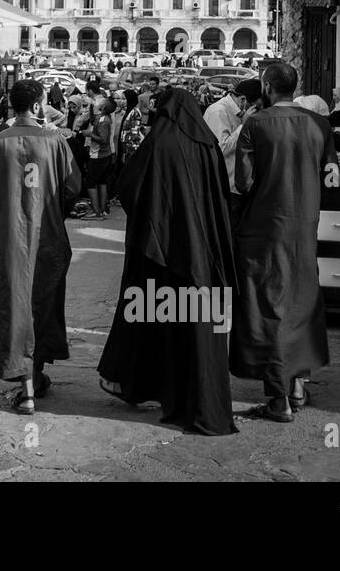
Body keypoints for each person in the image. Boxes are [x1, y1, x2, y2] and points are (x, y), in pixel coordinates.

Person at [98, 88, 237, 435]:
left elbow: (128, 186)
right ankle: (188, 395)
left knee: (152, 317)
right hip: (200, 253)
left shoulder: (158, 143)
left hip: (158, 254)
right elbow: (221, 197)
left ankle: (147, 386)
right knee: (191, 324)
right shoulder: (207, 145)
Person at [231, 62, 337, 422]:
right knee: (301, 301)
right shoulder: (320, 125)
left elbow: (243, 183)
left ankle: (279, 400)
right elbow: (330, 176)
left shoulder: (256, 124)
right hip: (305, 228)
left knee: (270, 307)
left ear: (266, 85)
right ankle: (297, 385)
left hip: (264, 229)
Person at [0, 80, 82, 414]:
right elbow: (73, 186)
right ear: (37, 107)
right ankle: (35, 376)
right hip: (48, 236)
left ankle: (28, 386)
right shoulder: (56, 142)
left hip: (10, 239)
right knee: (43, 304)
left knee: (15, 306)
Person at [203, 79, 263, 197]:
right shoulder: (218, 112)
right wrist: (243, 126)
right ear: (243, 100)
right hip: (226, 187)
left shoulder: (238, 112)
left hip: (238, 185)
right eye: (256, 107)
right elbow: (221, 149)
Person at [82, 98, 116, 219]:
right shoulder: (103, 118)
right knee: (102, 181)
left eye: (101, 103)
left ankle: (96, 211)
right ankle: (101, 210)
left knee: (90, 182)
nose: (98, 102)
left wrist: (89, 134)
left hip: (98, 155)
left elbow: (103, 139)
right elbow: (93, 121)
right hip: (105, 155)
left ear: (103, 108)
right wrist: (91, 108)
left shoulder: (103, 121)